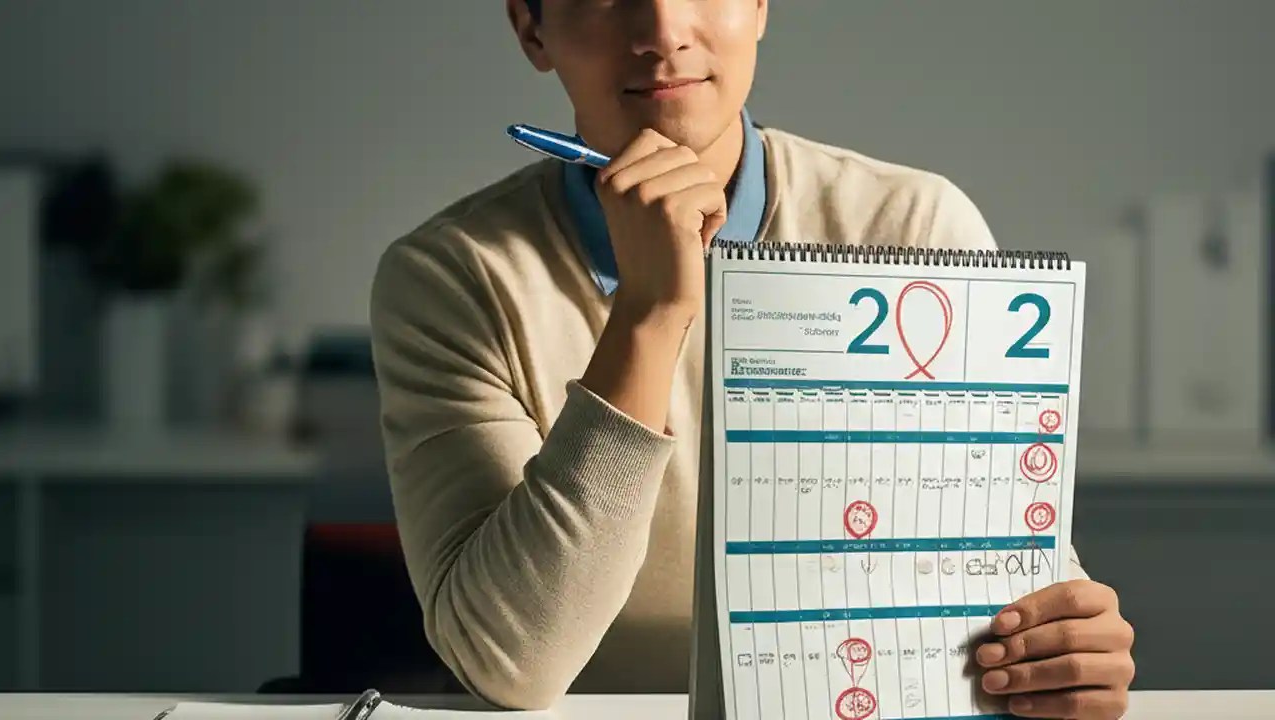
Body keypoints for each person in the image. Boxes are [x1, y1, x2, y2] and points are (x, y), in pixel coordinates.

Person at [368, 1, 1136, 717]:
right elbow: (511, 662)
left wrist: (1063, 649)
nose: (664, 28)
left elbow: (1012, 585)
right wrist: (652, 309)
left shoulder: (916, 226)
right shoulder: (452, 279)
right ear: (531, 27)